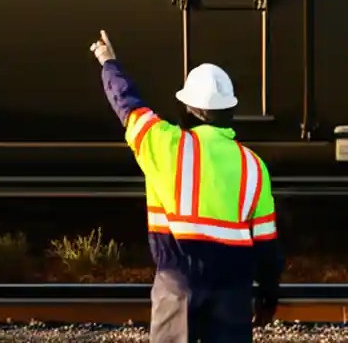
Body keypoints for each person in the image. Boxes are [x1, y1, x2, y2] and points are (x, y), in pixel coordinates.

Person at [89, 30, 283, 342]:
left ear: (187, 109)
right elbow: (266, 245)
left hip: (178, 284)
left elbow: (126, 103)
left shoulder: (165, 144)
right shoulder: (253, 165)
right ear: (229, 111)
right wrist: (269, 293)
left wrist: (108, 62)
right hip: (233, 291)